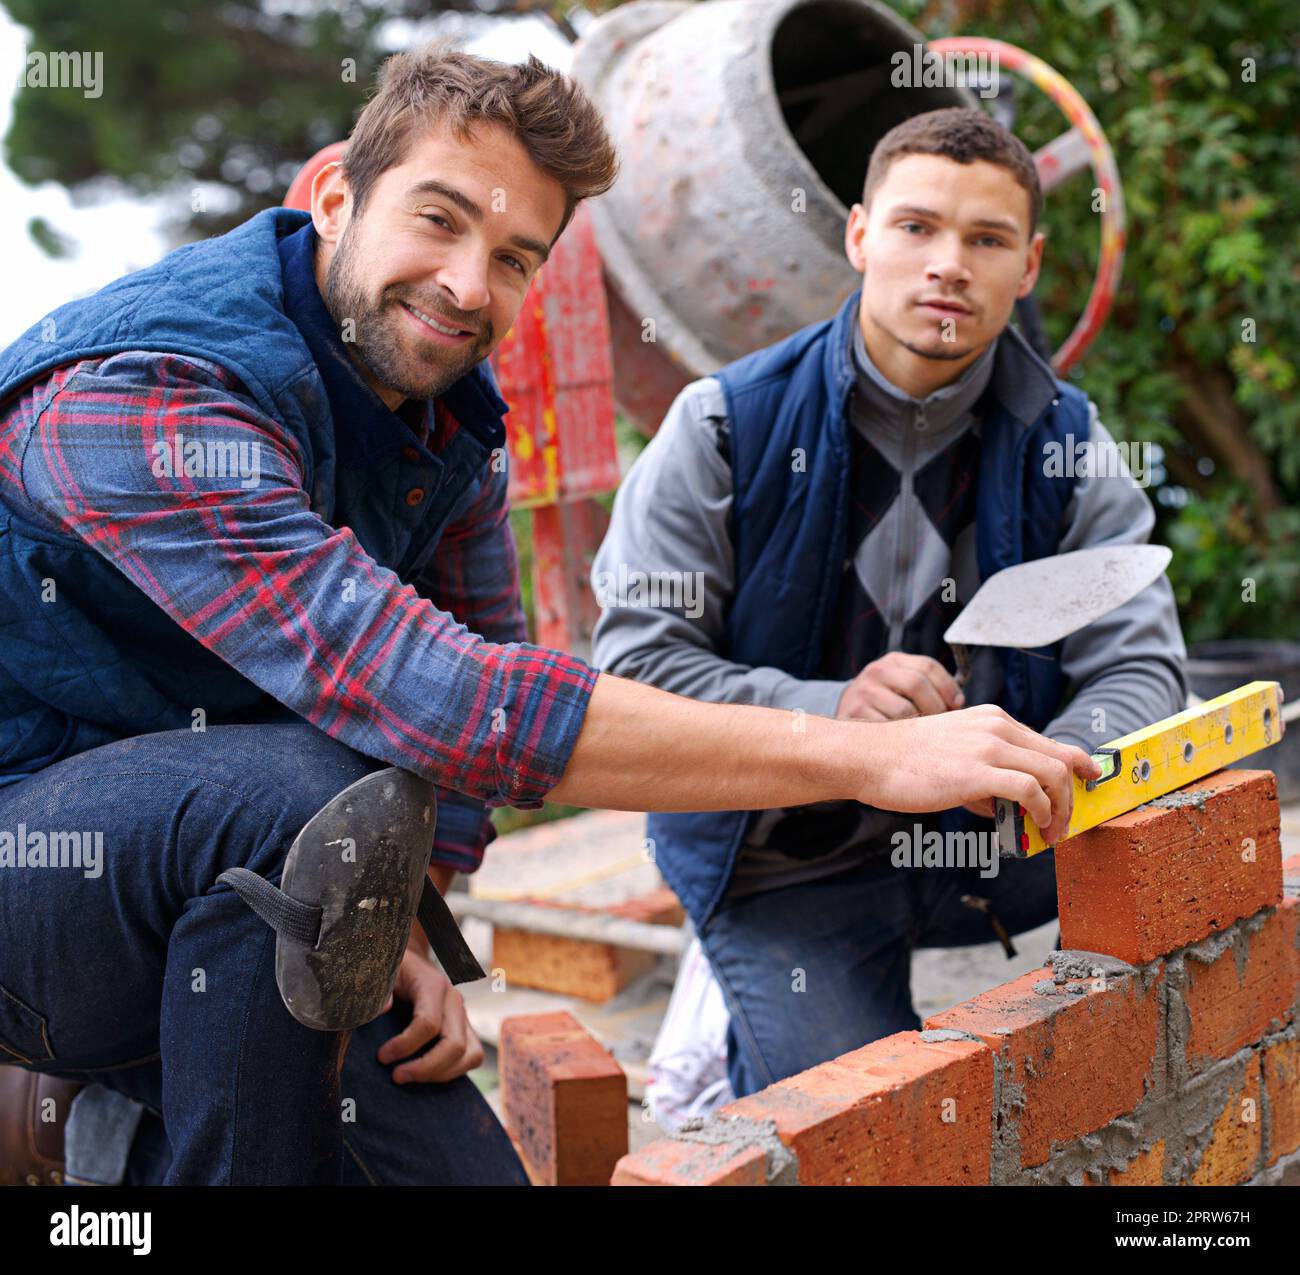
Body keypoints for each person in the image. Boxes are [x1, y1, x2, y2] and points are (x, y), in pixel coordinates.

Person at [0, 48, 1096, 1185]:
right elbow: (453, 704)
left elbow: (488, 672)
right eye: (438, 219)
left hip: (237, 889)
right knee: (300, 795)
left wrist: (423, 932)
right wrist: (866, 754)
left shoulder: (445, 426)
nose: (469, 286)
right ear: (335, 195)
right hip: (39, 875)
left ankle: (133, 1131)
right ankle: (78, 1116)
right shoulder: (149, 392)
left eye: (514, 256)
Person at [591, 108, 1187, 1099]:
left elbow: (1140, 663)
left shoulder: (1070, 441)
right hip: (785, 857)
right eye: (916, 228)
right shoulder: (722, 428)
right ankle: (752, 1037)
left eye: (986, 239)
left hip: (1000, 843)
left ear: (1028, 265)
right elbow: (635, 676)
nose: (948, 264)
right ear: (860, 235)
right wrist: (839, 713)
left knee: (1126, 1082)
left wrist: (1063, 761)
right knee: (864, 1127)